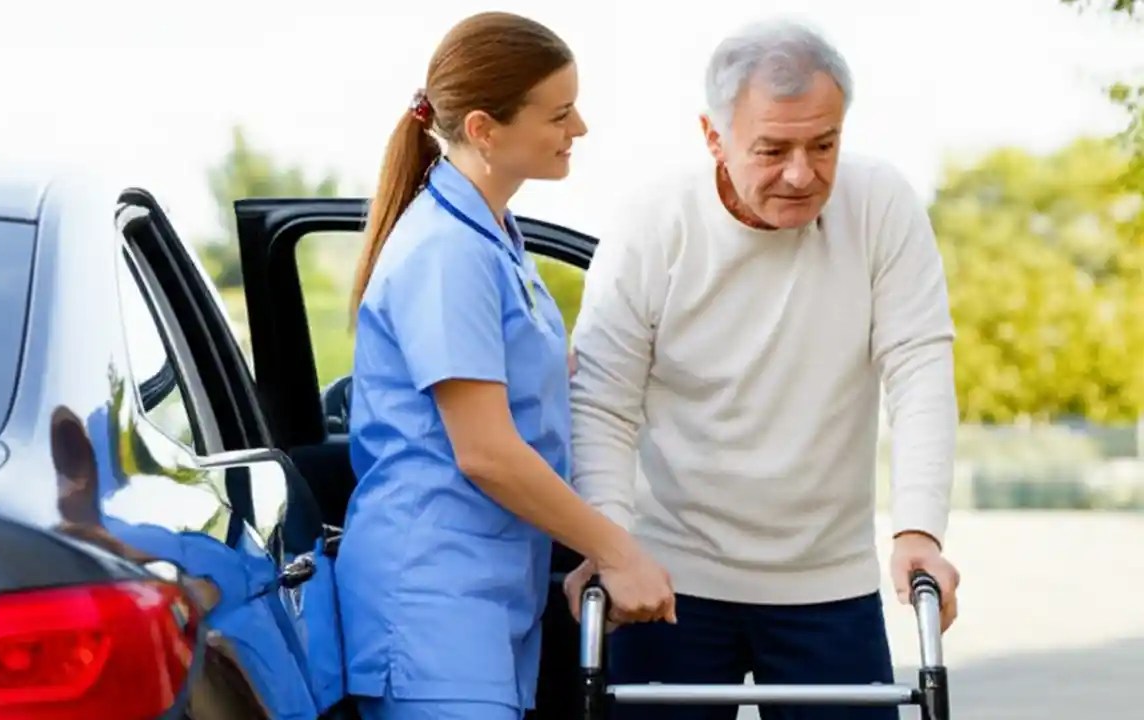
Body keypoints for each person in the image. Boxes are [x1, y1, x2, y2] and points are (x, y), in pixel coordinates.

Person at [562, 17, 962, 720]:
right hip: (668, 582)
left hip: (827, 583)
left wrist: (919, 531)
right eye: (773, 149)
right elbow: (602, 399)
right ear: (714, 138)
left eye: (825, 144)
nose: (802, 173)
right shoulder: (654, 222)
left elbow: (919, 366)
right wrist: (609, 542)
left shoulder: (881, 204)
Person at [334, 11, 676, 720]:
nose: (577, 129)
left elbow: (544, 393)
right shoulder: (444, 252)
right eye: (559, 113)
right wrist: (618, 552)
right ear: (486, 129)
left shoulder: (493, 239)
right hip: (432, 603)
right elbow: (487, 451)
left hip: (482, 601)